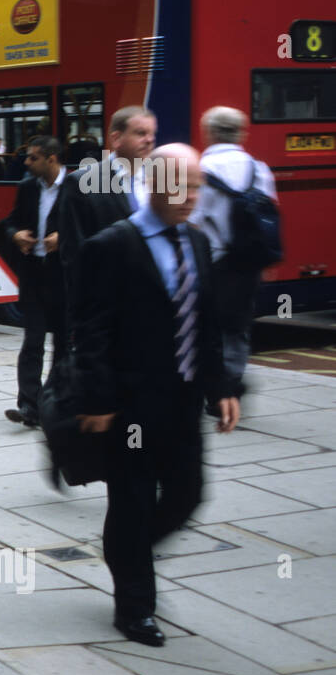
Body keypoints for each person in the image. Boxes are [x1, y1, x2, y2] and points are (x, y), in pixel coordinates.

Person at [75, 144, 240, 647]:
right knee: (133, 501)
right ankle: (135, 607)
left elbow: (208, 323)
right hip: (129, 406)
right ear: (154, 184)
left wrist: (222, 387)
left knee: (188, 493)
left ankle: (126, 555)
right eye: (181, 186)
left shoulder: (195, 240)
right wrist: (98, 400)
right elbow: (91, 330)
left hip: (183, 400)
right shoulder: (112, 246)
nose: (191, 197)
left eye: (197, 187)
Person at [192, 106, 277, 399]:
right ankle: (231, 384)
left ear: (210, 133)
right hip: (248, 262)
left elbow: (193, 218)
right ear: (240, 132)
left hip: (212, 261)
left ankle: (215, 390)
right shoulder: (259, 168)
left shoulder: (202, 168)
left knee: (206, 326)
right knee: (238, 327)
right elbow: (268, 213)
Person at [58, 106, 157, 332]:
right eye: (141, 133)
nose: (149, 140)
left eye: (152, 134)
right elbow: (73, 254)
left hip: (153, 306)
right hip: (108, 310)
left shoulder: (161, 178)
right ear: (116, 138)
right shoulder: (83, 182)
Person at [4, 136, 67, 427]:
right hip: (33, 274)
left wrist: (63, 239)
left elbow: (91, 229)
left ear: (51, 159)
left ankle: (55, 403)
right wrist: (15, 235)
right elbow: (10, 222)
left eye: (33, 158)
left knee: (65, 344)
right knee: (33, 341)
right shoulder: (27, 187)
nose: (26, 162)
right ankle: (29, 405)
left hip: (63, 276)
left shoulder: (77, 186)